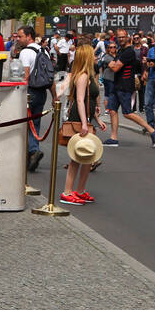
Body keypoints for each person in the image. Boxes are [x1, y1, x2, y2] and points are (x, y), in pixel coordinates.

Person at [57, 41, 106, 206]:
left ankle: (80, 190)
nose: (96, 56)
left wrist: (97, 119)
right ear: (87, 57)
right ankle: (67, 192)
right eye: (93, 54)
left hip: (87, 117)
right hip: (79, 118)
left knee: (88, 156)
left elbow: (89, 100)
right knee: (77, 156)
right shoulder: (83, 76)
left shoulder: (89, 75)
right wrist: (84, 123)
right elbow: (79, 100)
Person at [104, 27, 155, 147]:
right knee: (112, 111)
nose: (121, 39)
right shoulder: (120, 51)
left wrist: (107, 60)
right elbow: (114, 64)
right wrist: (111, 62)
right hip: (116, 85)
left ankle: (152, 131)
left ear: (127, 37)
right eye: (119, 37)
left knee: (127, 113)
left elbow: (114, 67)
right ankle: (113, 138)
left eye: (123, 37)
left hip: (125, 86)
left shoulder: (129, 51)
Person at [16, 25, 55, 171]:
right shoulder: (43, 50)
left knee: (24, 124)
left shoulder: (25, 52)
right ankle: (32, 151)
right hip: (42, 92)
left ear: (29, 36)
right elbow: (50, 75)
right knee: (35, 123)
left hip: (29, 92)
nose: (18, 39)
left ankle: (30, 152)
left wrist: (18, 92)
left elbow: (25, 75)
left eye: (20, 36)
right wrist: (54, 96)